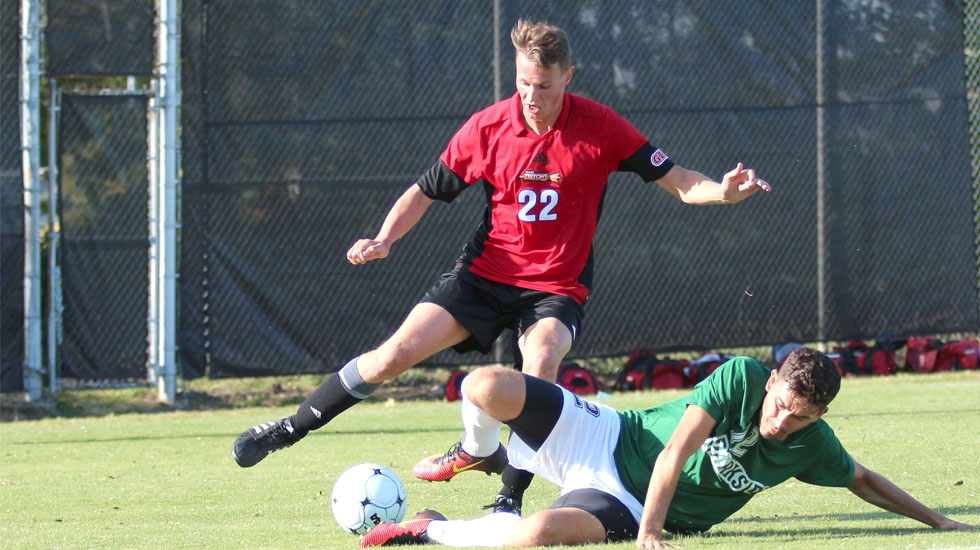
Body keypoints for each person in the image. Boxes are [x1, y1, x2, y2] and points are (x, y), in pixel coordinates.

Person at [231, 18, 770, 514]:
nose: (532, 97)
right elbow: (425, 190)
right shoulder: (488, 127)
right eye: (523, 83)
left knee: (539, 365)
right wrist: (383, 238)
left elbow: (678, 181)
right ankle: (288, 427)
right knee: (392, 355)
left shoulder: (601, 127)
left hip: (556, 288)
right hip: (484, 276)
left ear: (568, 76)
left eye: (545, 85)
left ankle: (507, 498)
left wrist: (722, 192)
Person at [359, 347, 975, 548]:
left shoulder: (812, 445)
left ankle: (429, 528)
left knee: (534, 532)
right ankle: (479, 450)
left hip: (620, 501)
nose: (783, 420)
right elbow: (674, 452)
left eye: (801, 416)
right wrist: (653, 535)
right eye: (782, 403)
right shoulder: (740, 376)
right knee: (484, 384)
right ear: (774, 381)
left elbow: (863, 480)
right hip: (608, 434)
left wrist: (938, 518)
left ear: (819, 416)